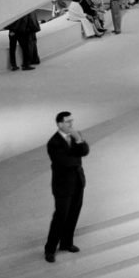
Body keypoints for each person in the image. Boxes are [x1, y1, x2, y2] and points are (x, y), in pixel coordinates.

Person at [44, 111, 89, 262]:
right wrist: (77, 144)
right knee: (60, 217)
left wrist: (78, 140)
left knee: (73, 214)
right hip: (63, 187)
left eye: (72, 121)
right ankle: (50, 249)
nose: (71, 124)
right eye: (68, 122)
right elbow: (65, 162)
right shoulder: (53, 143)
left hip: (78, 182)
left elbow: (85, 151)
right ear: (59, 124)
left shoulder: (75, 136)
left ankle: (66, 243)